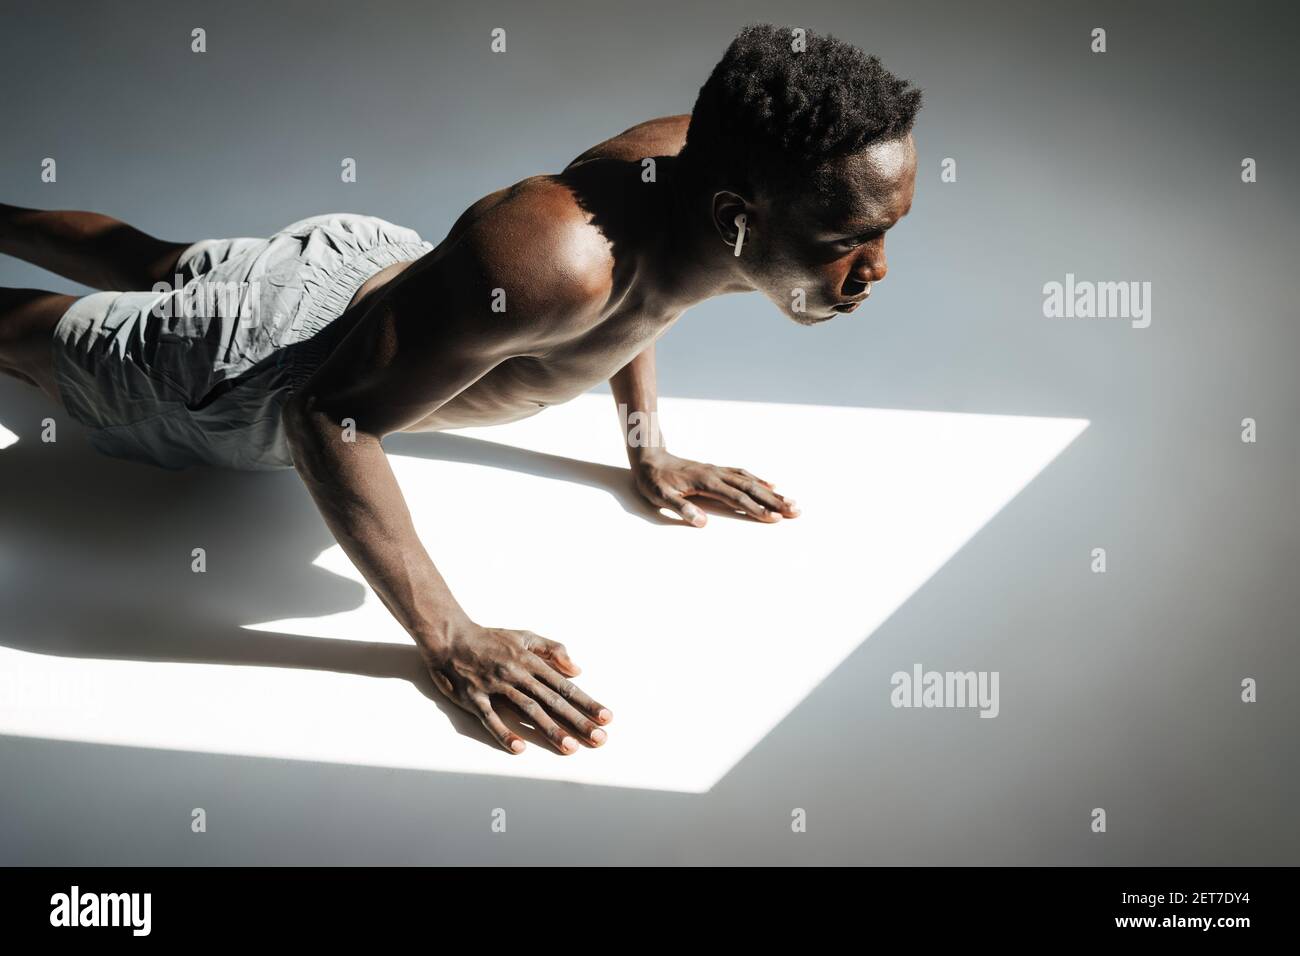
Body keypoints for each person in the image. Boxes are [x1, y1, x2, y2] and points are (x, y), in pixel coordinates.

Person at [0, 23, 920, 755]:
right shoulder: (558, 265)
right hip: (247, 368)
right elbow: (328, 415)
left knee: (152, 261)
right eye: (851, 240)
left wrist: (650, 450)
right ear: (736, 218)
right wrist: (449, 638)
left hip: (358, 269)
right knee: (24, 333)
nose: (876, 269)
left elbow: (648, 302)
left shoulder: (702, 164)